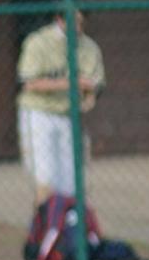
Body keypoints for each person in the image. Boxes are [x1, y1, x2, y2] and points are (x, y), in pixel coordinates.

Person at [16, 11, 105, 206]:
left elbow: (96, 86)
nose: (78, 28)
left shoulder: (89, 47)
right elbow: (28, 84)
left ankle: (70, 231)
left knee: (73, 181)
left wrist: (89, 97)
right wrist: (72, 83)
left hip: (68, 115)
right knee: (45, 179)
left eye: (82, 23)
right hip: (38, 113)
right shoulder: (39, 42)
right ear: (59, 20)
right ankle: (46, 230)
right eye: (74, 23)